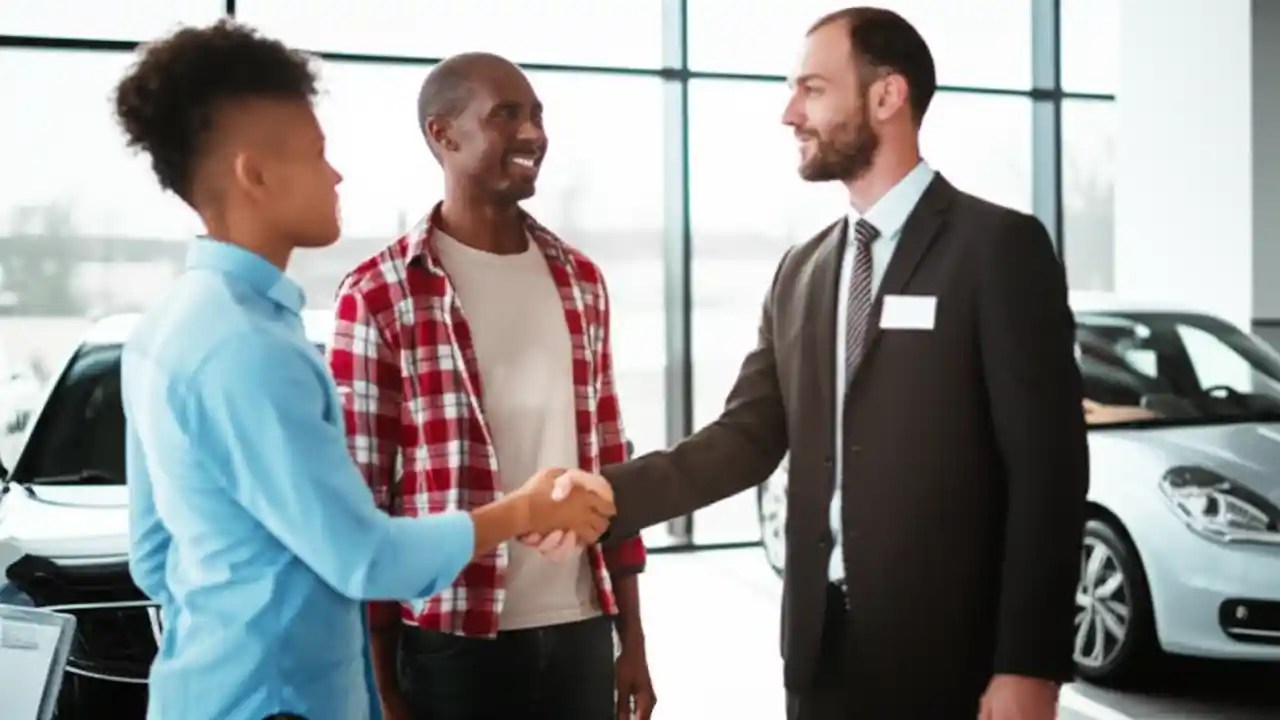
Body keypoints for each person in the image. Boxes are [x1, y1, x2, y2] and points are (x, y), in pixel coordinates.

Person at [550, 6, 1090, 719]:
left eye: (811, 89)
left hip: (956, 660)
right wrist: (608, 497)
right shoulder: (801, 272)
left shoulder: (997, 248)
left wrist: (1029, 665)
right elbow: (745, 438)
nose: (788, 113)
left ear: (886, 96)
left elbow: (1048, 473)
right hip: (819, 651)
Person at [115, 22, 615, 720]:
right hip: (281, 700)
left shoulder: (166, 327)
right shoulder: (250, 347)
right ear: (254, 174)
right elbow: (365, 558)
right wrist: (525, 511)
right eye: (318, 155)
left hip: (215, 687)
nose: (336, 174)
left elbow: (152, 556)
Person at [329, 52, 655, 720]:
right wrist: (381, 683)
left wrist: (635, 638)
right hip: (448, 639)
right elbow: (361, 502)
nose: (534, 133)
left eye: (537, 114)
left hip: (580, 623)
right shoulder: (378, 295)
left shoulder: (581, 281)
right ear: (442, 135)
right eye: (506, 115)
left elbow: (610, 464)